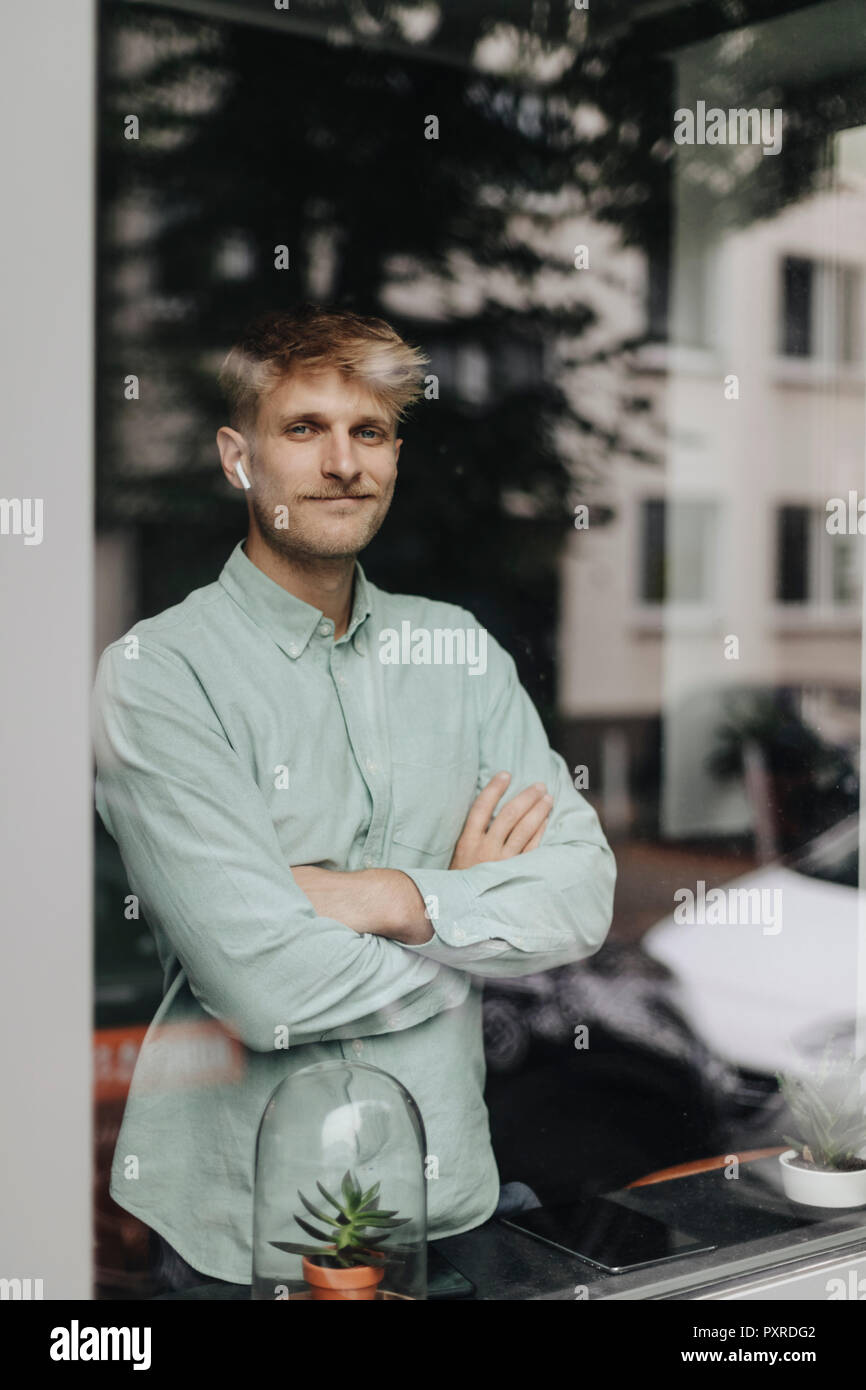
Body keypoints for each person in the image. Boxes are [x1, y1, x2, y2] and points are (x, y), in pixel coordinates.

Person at [91, 303, 617, 1293]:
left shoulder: (455, 649)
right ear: (236, 456)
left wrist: (379, 896)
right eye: (304, 429)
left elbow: (580, 897)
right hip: (244, 1231)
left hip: (450, 1195)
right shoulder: (160, 675)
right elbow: (262, 986)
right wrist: (470, 929)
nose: (343, 461)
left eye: (367, 430)